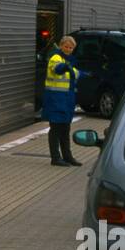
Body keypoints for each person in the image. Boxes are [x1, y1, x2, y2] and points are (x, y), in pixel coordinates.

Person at [44, 36, 82, 167]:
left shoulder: (69, 61)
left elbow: (76, 75)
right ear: (61, 46)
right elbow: (57, 69)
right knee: (55, 129)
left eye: (71, 48)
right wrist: (66, 67)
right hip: (55, 99)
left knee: (65, 129)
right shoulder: (56, 58)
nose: (68, 49)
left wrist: (83, 74)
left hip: (66, 100)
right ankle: (55, 158)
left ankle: (67, 156)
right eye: (66, 46)